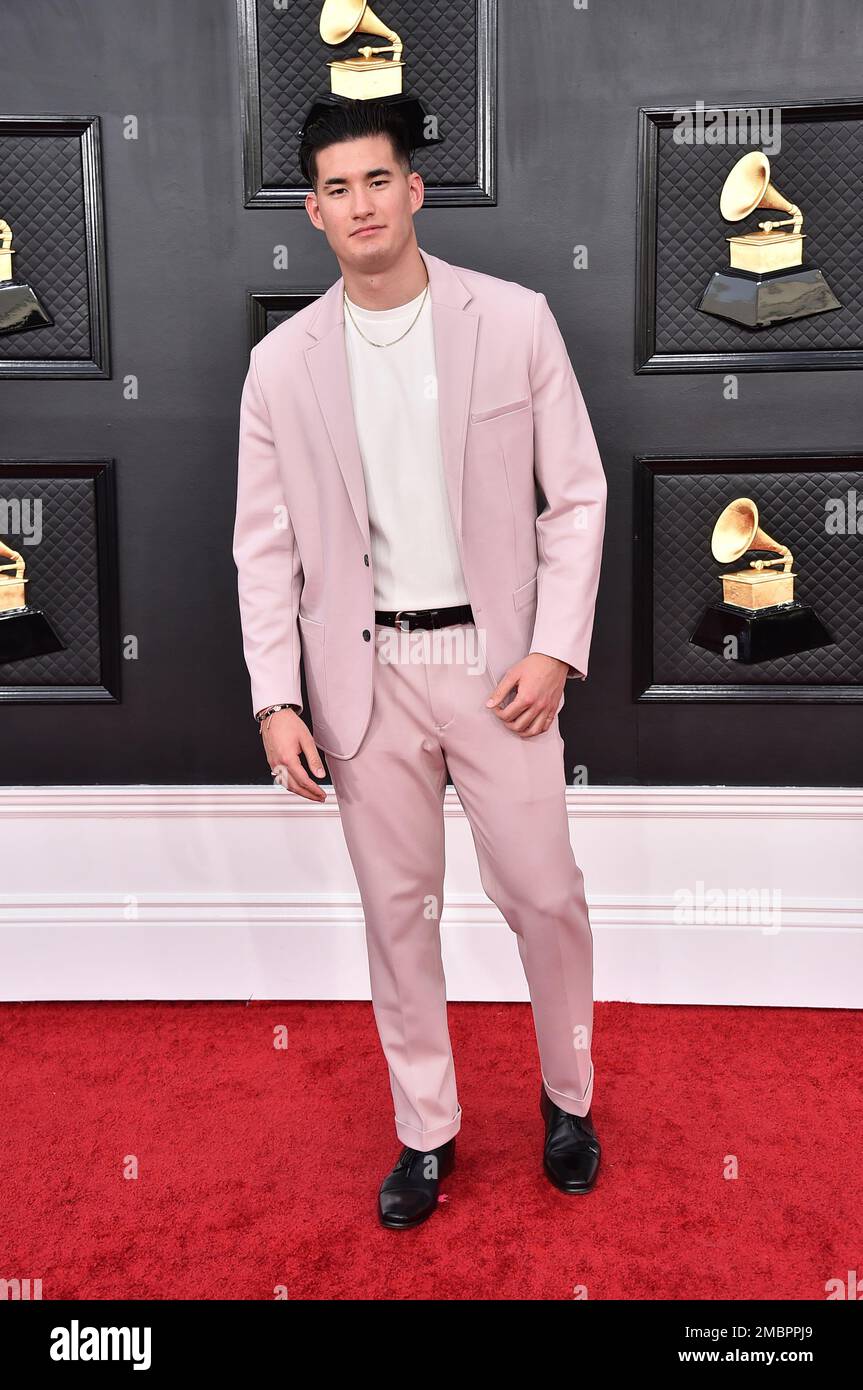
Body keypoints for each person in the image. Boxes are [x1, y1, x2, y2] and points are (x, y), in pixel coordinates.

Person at [232, 99, 607, 1229]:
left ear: (413, 190)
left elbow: (577, 497)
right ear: (312, 209)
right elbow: (263, 545)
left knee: (544, 896)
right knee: (396, 914)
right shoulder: (278, 366)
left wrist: (550, 648)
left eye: (377, 181)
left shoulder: (515, 320)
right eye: (337, 189)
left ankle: (568, 1100)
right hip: (365, 678)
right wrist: (273, 696)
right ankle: (425, 1134)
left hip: (497, 668)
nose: (360, 204)